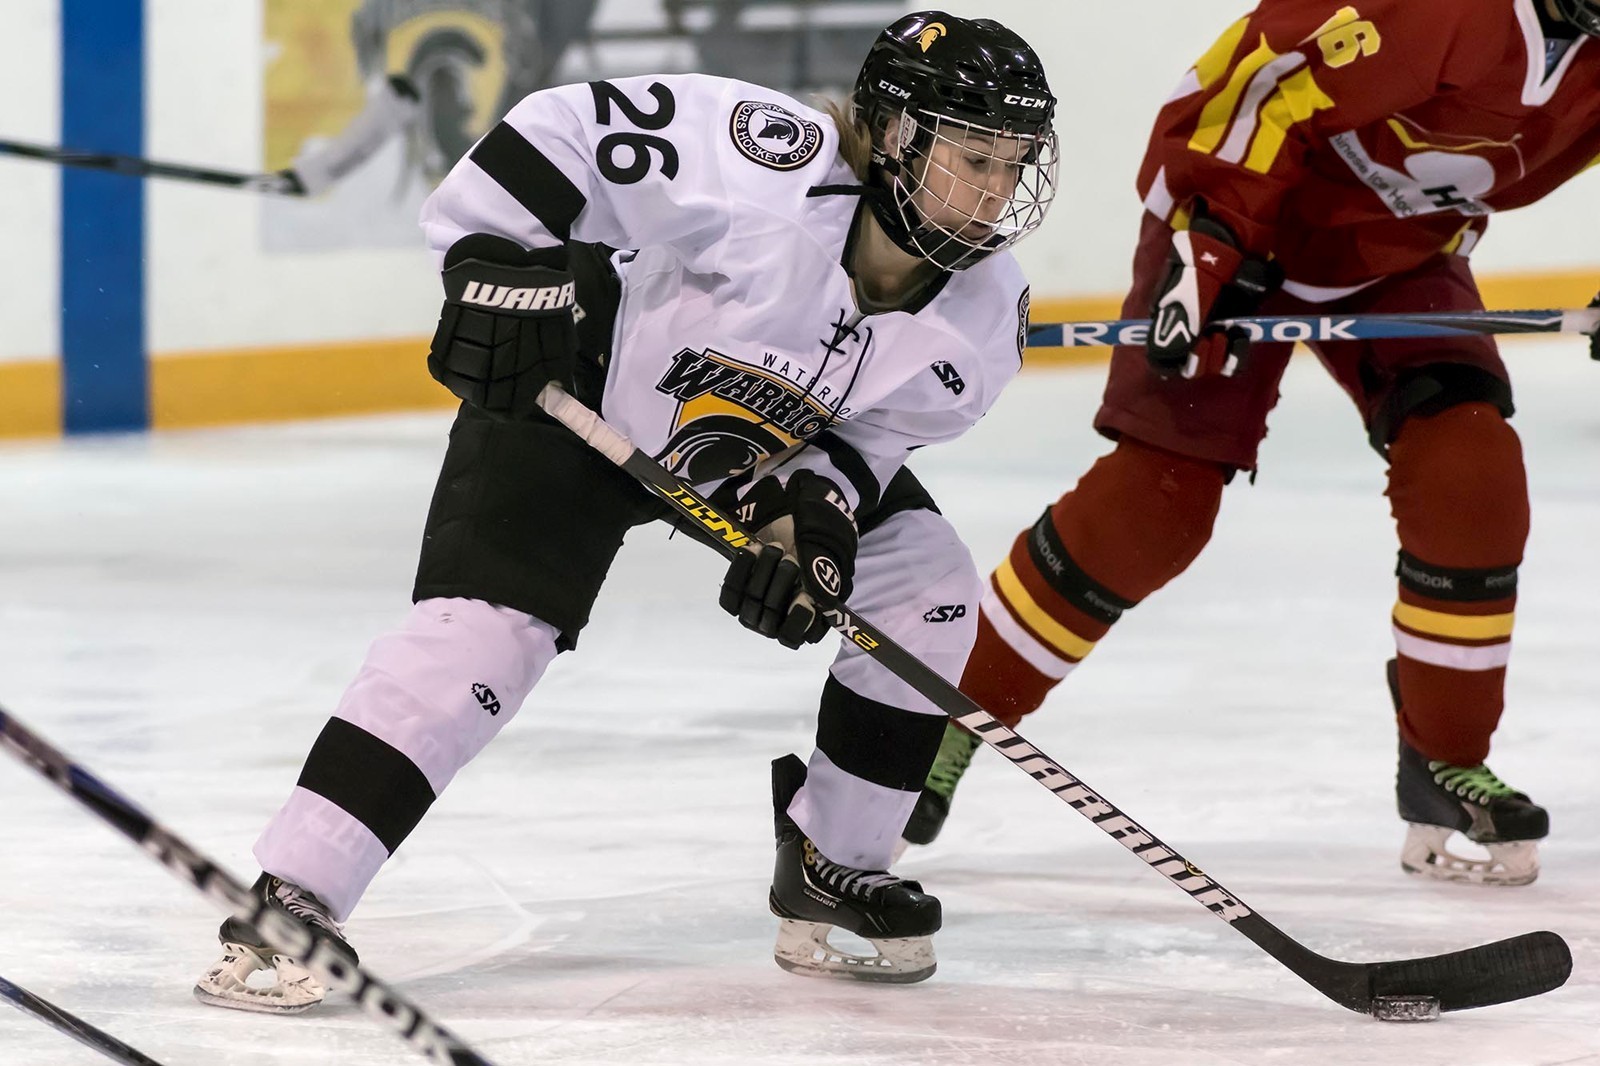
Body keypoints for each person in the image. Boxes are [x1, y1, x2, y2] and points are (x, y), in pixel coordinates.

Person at [192, 10, 1058, 1011]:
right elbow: (564, 131)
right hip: (579, 396)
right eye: (974, 156)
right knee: (484, 636)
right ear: (897, 137)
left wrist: (811, 521)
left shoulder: (986, 310)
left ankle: (834, 866)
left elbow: (869, 436)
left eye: (1014, 162)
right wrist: (493, 263)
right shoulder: (766, 165)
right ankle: (297, 890)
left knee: (928, 581)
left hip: (750, 448)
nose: (997, 192)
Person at [905, 0, 1600, 887]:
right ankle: (942, 716)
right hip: (1238, 225)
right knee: (1156, 504)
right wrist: (1212, 248)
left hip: (1400, 259)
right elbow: (1256, 88)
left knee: (1471, 472)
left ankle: (1444, 759)